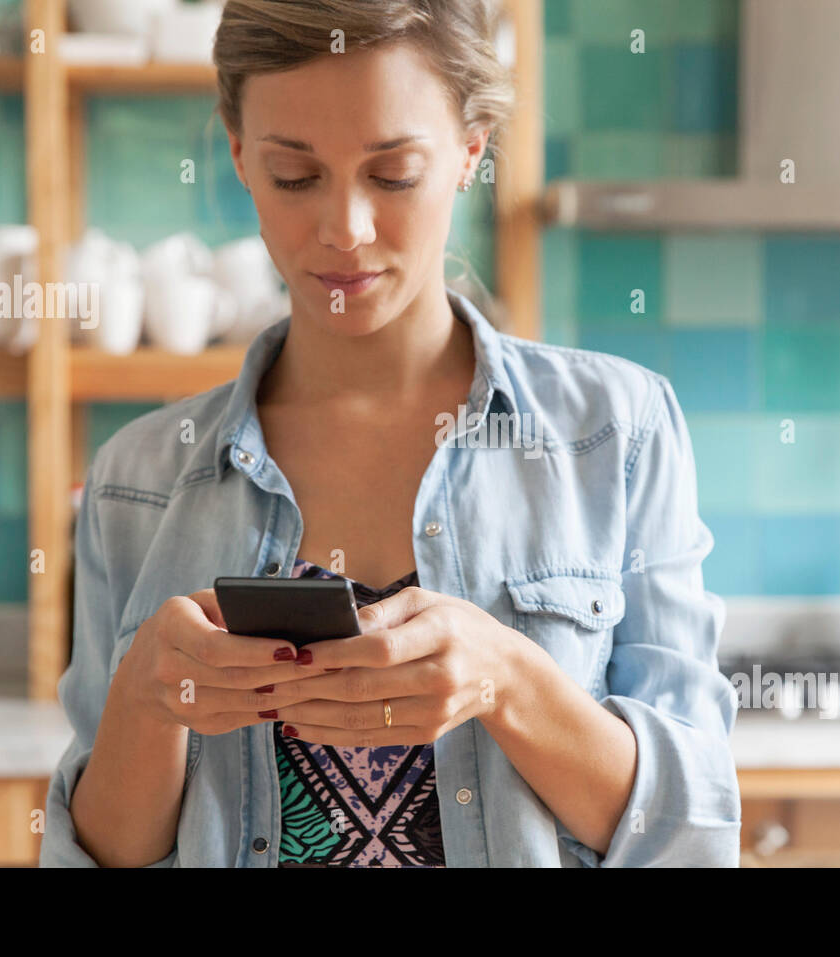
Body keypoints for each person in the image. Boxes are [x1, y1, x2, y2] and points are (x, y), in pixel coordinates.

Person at [40, 0, 740, 868]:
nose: (346, 230)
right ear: (239, 158)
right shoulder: (135, 480)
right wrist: (147, 702)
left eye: (394, 173)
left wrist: (508, 679)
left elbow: (693, 836)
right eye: (295, 175)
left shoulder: (616, 433)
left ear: (470, 153)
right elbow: (93, 857)